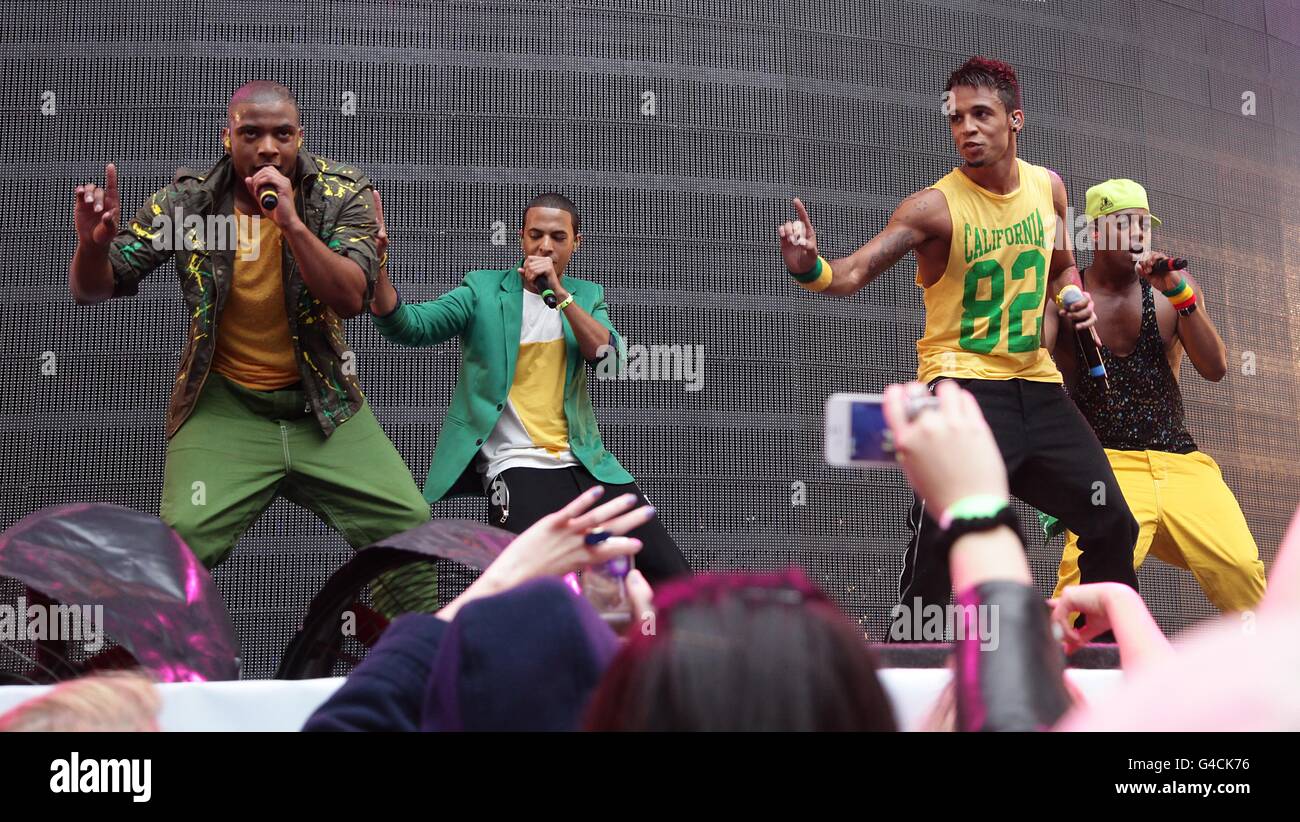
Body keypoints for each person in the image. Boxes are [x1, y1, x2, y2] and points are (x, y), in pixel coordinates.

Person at [777, 55, 1139, 623]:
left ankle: (1100, 660)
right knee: (941, 548)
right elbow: (849, 275)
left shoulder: (1050, 189)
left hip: (1038, 388)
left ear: (1015, 119)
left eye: (981, 115)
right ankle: (910, 669)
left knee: (1112, 521)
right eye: (955, 118)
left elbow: (1062, 264)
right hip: (963, 386)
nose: (965, 129)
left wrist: (1072, 294)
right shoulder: (933, 208)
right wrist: (808, 265)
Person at [68, 81, 435, 614]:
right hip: (225, 406)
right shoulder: (189, 203)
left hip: (323, 404)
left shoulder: (339, 193)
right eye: (252, 134)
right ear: (228, 138)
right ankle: (180, 683)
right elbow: (91, 289)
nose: (268, 147)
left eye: (282, 134)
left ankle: (405, 667)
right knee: (182, 540)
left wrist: (288, 223)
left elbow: (352, 296)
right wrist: (91, 246)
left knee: (409, 527)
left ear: (299, 137)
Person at [367, 190, 690, 583]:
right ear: (521, 238)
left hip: (587, 463)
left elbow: (610, 361)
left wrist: (562, 298)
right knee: (534, 585)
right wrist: (377, 266)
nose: (545, 245)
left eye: (558, 237)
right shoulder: (482, 291)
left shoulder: (586, 296)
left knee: (672, 575)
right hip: (517, 462)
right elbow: (409, 326)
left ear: (576, 243)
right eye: (536, 234)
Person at [1045, 179, 1266, 614]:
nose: (1137, 235)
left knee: (1242, 568)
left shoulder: (1172, 290)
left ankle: (1274, 675)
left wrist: (1179, 293)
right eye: (1123, 224)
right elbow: (1035, 361)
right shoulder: (1066, 296)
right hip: (1108, 465)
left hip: (1180, 462)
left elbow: (1216, 368)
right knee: (1087, 584)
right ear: (1094, 233)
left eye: (1143, 225)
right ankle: (1056, 675)